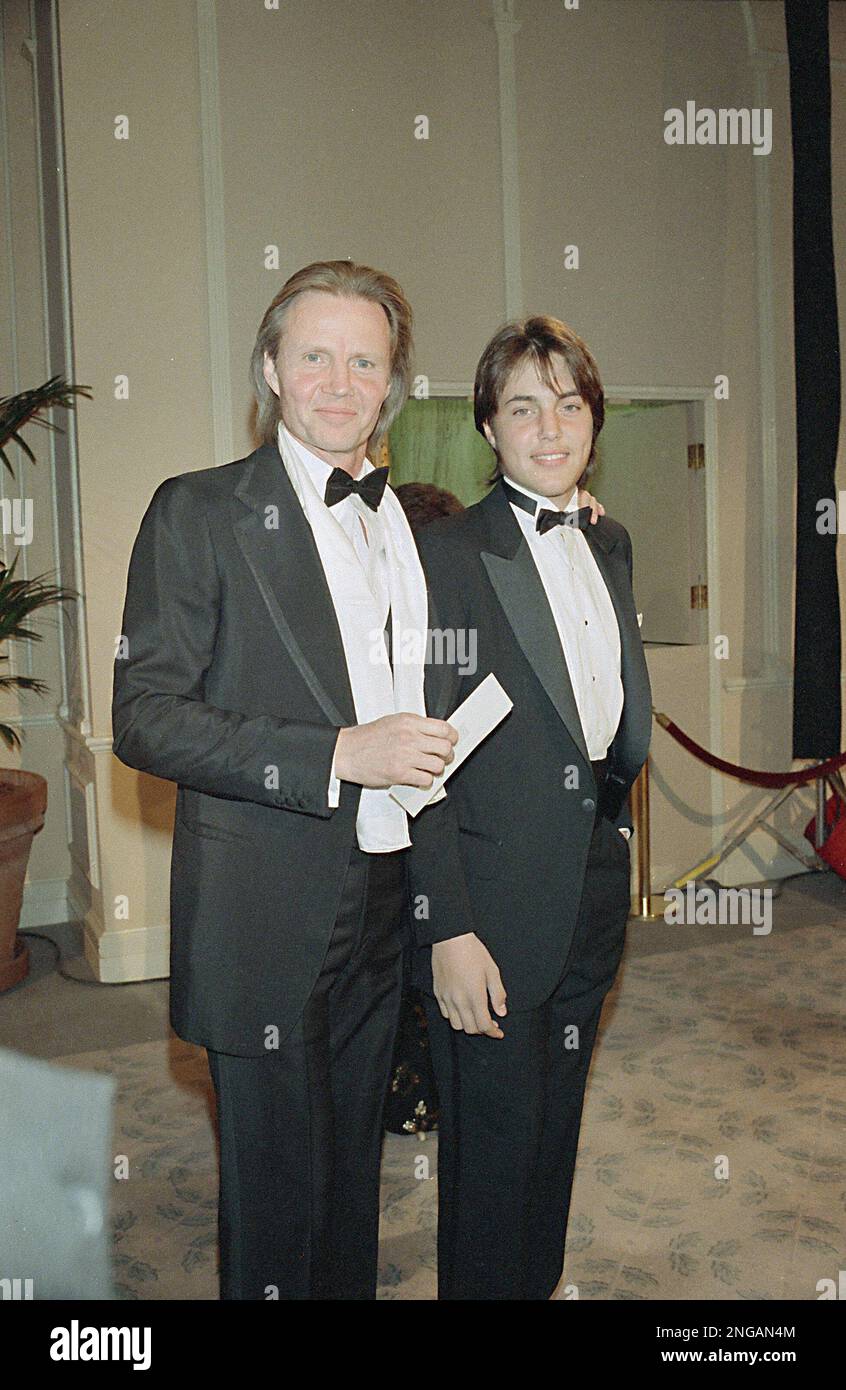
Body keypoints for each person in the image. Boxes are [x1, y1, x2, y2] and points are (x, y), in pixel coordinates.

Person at [110, 261, 462, 1301]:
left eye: (365, 361)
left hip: (384, 891)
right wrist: (337, 753)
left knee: (352, 1180)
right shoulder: (199, 510)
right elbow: (145, 716)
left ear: (392, 384)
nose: (340, 383)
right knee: (273, 1200)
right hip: (263, 907)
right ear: (271, 368)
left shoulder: (405, 525)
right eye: (315, 356)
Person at [409, 315, 652, 1300]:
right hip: (492, 902)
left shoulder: (610, 540)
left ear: (593, 419)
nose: (550, 429)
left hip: (593, 879)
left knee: (555, 1131)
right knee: (492, 1151)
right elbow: (421, 757)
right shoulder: (448, 554)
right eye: (522, 409)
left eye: (569, 405)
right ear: (488, 428)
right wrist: (447, 927)